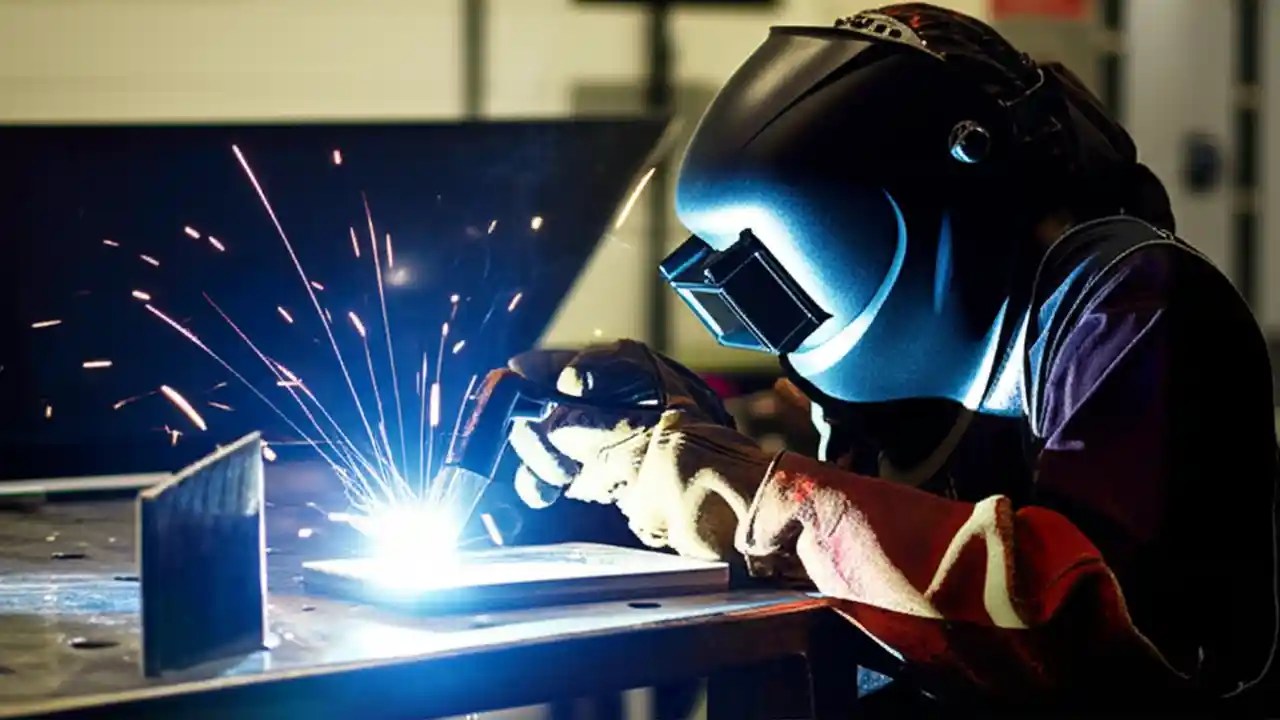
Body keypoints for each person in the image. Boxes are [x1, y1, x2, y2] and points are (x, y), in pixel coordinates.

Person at [504, 3, 1279, 711]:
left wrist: (758, 497)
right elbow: (861, 508)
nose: (789, 339)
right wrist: (669, 428)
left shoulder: (1132, 305)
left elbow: (1079, 623)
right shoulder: (903, 370)